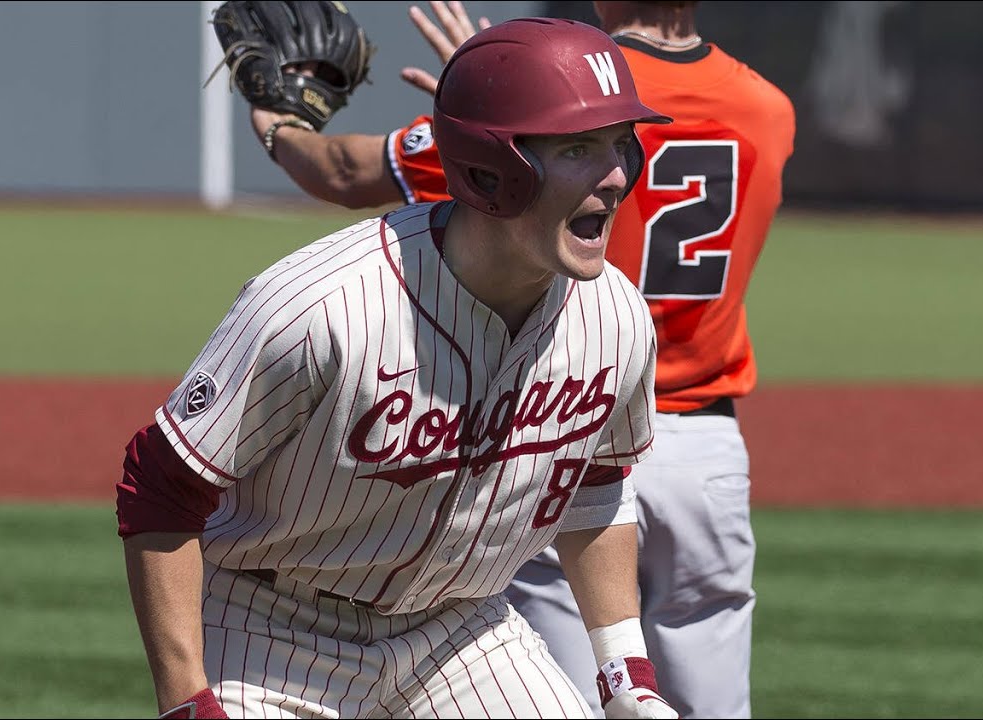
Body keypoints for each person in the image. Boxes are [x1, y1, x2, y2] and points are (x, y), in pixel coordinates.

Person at [119, 17, 683, 720]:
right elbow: (162, 485)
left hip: (462, 631)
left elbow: (595, 480)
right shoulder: (320, 306)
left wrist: (623, 667)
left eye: (619, 144)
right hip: (272, 629)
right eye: (578, 148)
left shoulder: (616, 318)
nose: (617, 175)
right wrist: (185, 699)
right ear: (489, 170)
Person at [250, 3, 796, 717]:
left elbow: (345, 174)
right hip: (708, 456)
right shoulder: (768, 107)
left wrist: (279, 119)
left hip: (561, 423)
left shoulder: (562, 100)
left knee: (563, 698)